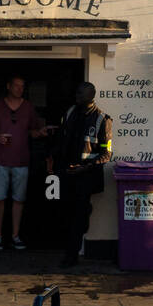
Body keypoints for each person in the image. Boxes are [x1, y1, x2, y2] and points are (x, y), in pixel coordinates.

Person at [47, 81, 112, 267]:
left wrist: (86, 166)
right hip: (64, 174)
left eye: (80, 94)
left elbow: (106, 154)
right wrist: (51, 155)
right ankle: (69, 243)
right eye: (76, 93)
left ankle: (71, 256)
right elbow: (61, 140)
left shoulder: (102, 120)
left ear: (91, 96)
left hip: (85, 178)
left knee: (77, 215)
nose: (76, 96)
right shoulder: (69, 113)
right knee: (61, 210)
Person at [0, 74, 45, 250]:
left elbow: (33, 131)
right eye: (17, 86)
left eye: (22, 86)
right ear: (9, 86)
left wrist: (41, 132)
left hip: (21, 160)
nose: (20, 89)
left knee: (19, 200)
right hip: (0, 160)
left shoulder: (28, 107)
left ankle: (15, 235)